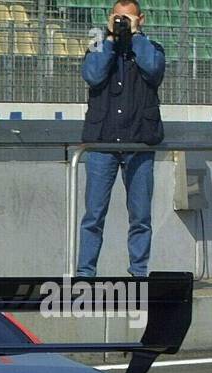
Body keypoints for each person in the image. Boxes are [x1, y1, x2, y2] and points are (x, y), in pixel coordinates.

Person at [77, 0, 165, 277]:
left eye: (128, 19)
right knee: (93, 215)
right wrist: (112, 39)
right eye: (118, 18)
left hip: (139, 143)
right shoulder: (99, 47)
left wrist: (136, 37)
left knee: (140, 217)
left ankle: (139, 272)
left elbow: (153, 69)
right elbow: (92, 75)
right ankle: (85, 273)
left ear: (142, 19)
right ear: (109, 18)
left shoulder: (152, 49)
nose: (123, 23)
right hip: (102, 143)